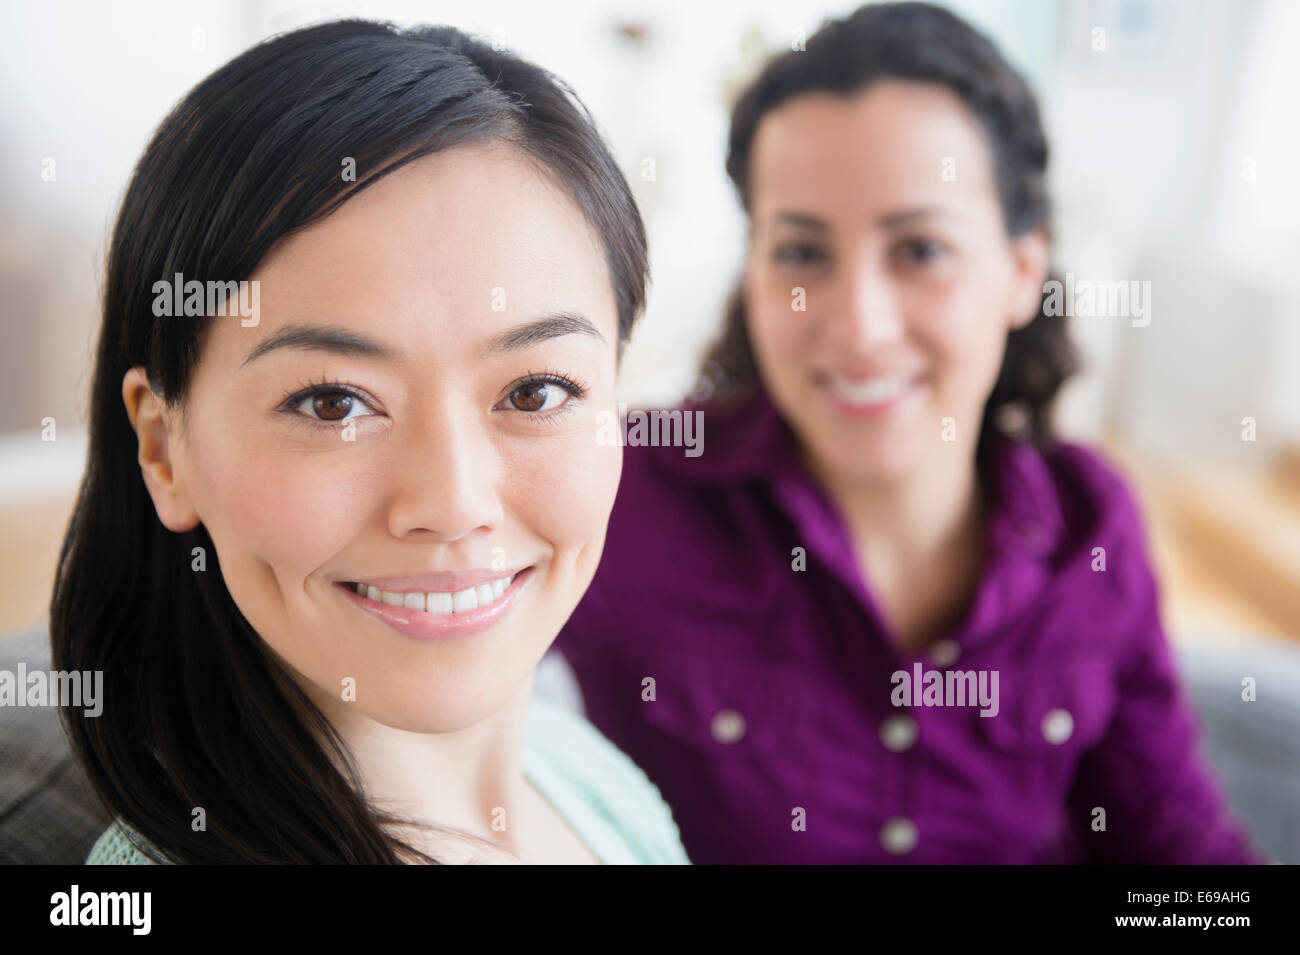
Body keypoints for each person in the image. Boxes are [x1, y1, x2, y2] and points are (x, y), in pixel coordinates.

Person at [553, 1, 1266, 864]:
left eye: (921, 250)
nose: (859, 326)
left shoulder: (1092, 528)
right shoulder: (623, 488)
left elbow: (1180, 851)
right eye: (802, 252)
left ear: (1020, 272)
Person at [53, 19, 688, 865]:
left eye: (536, 392)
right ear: (166, 451)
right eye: (331, 403)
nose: (455, 502)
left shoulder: (594, 783)